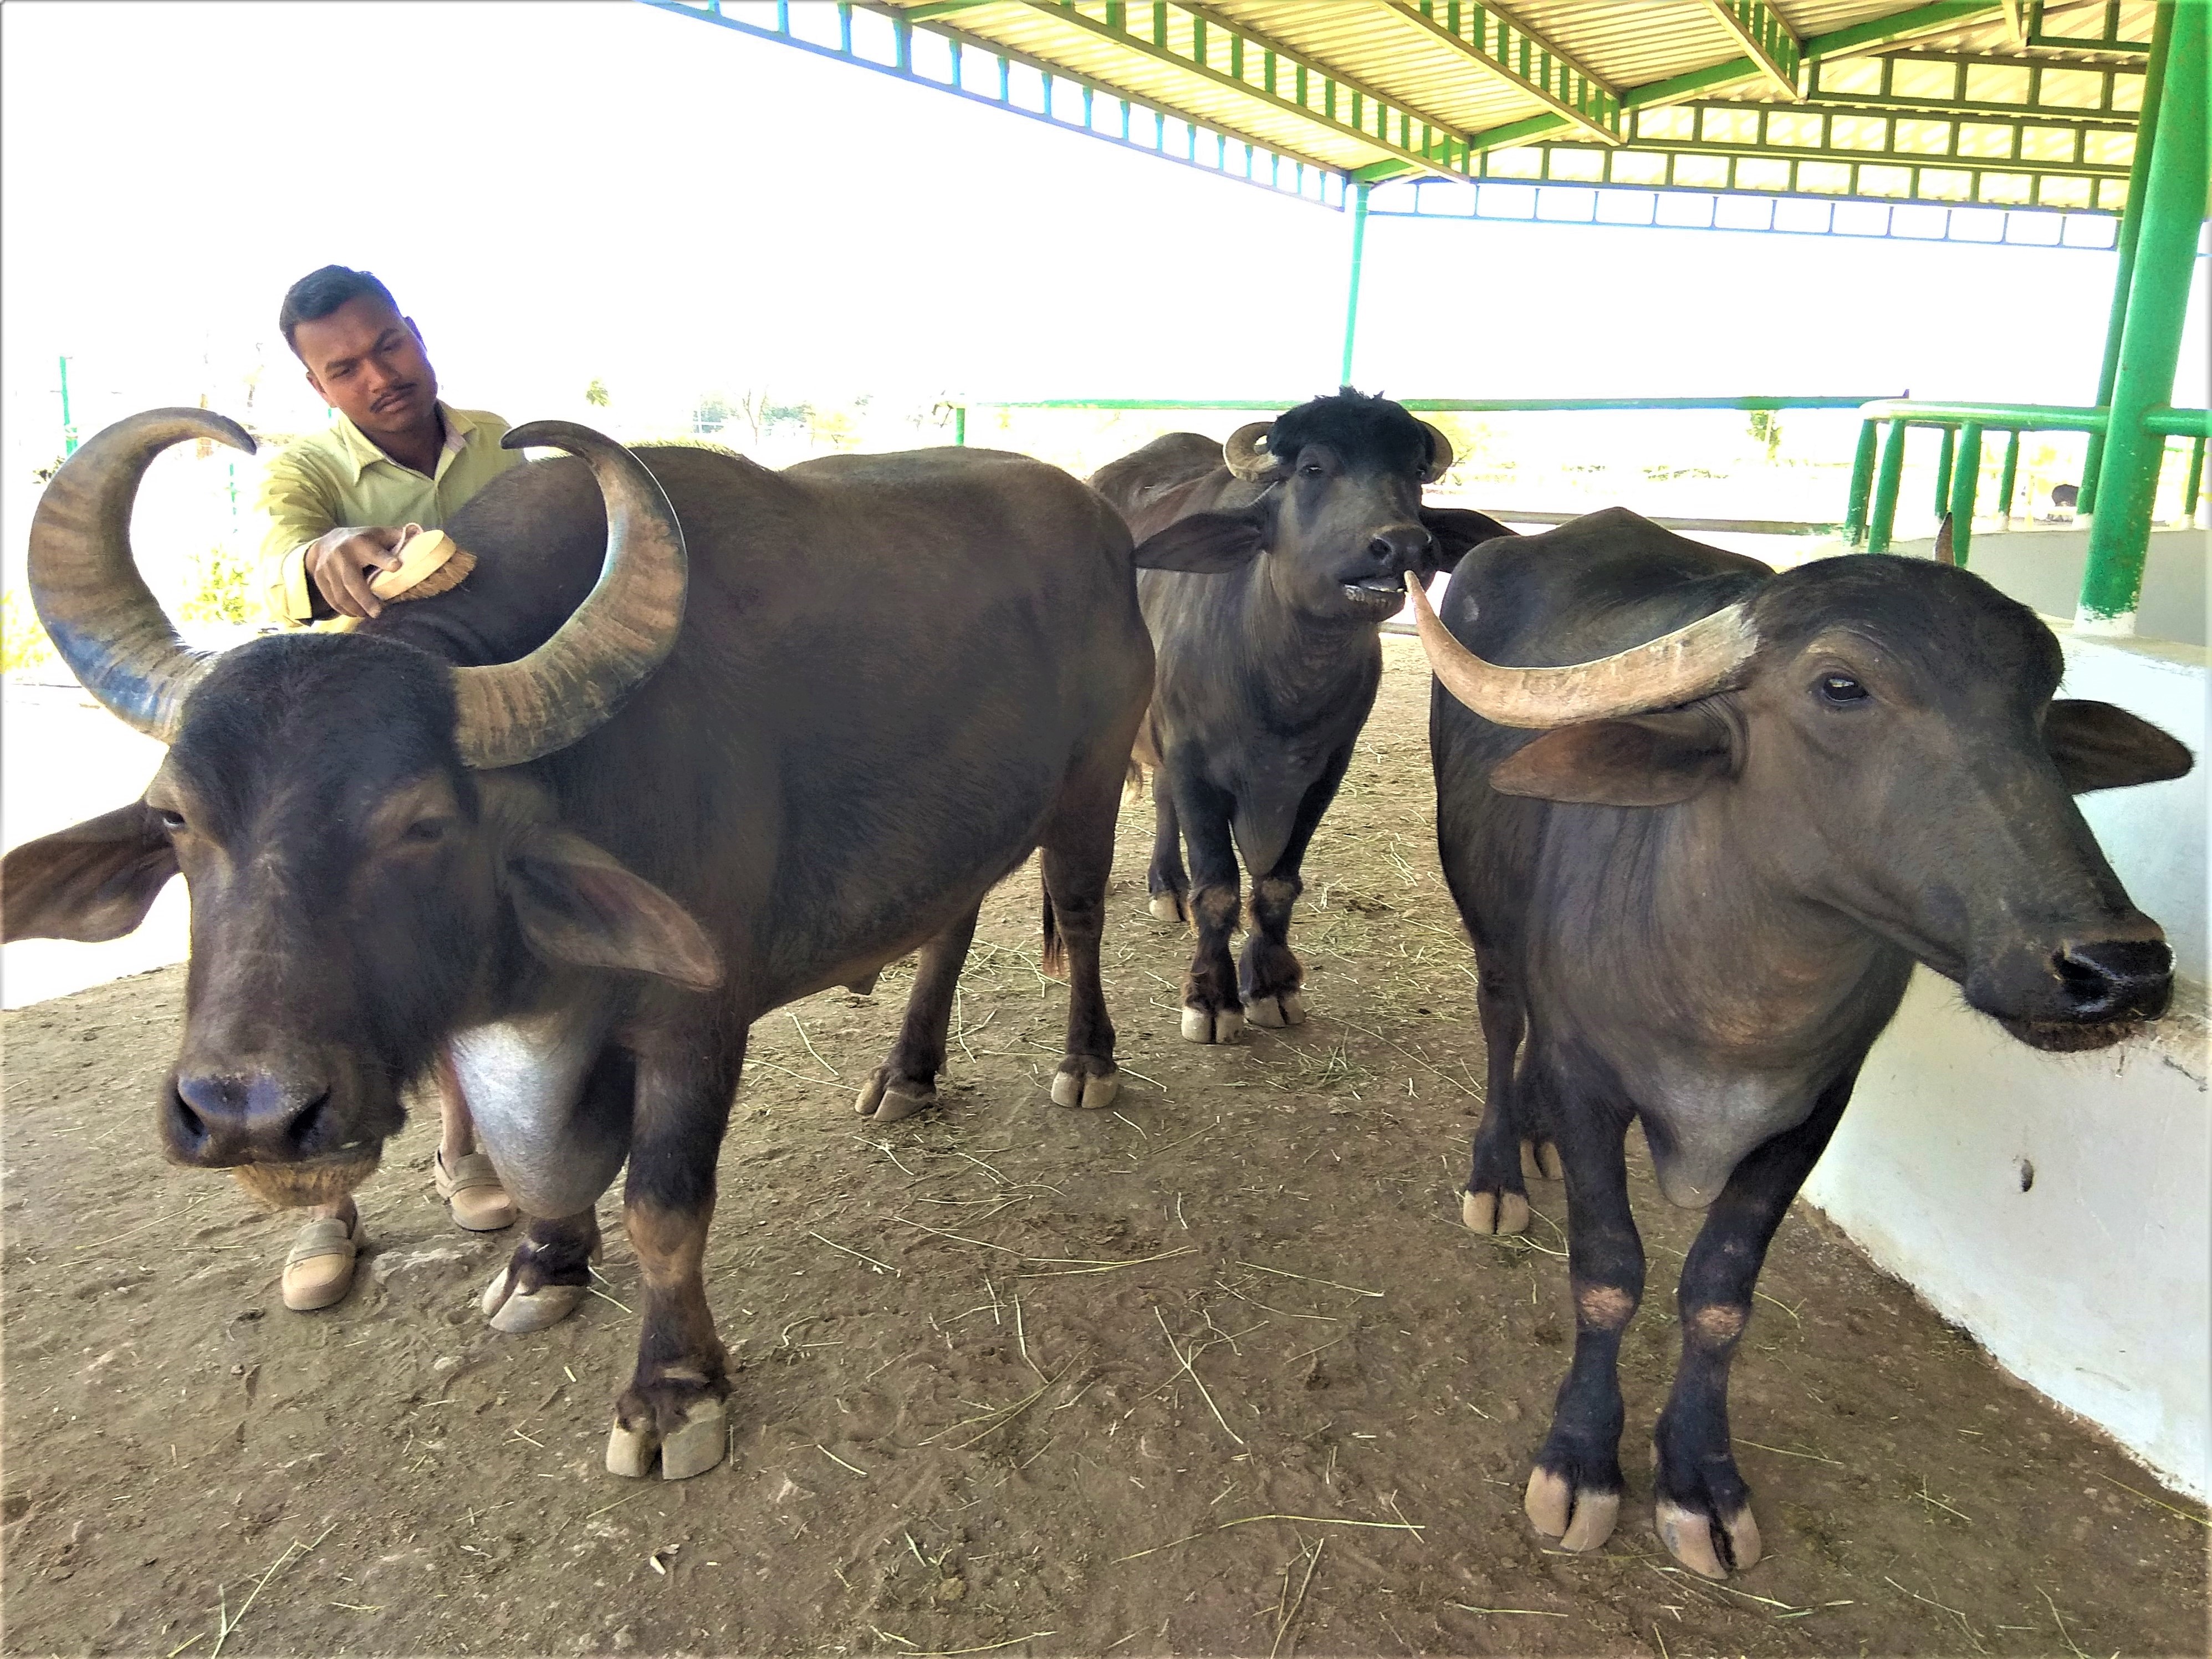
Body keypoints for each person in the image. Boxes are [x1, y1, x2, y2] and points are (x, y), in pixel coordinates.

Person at [253, 264, 521, 1311]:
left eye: (388, 348)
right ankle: (322, 1206)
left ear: (414, 334)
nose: (380, 378)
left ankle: (462, 1147)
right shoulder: (309, 472)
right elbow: (280, 551)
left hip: (485, 734)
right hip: (352, 748)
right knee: (316, 954)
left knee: (459, 938)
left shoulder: (500, 443)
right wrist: (324, 556)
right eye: (346, 368)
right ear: (319, 388)